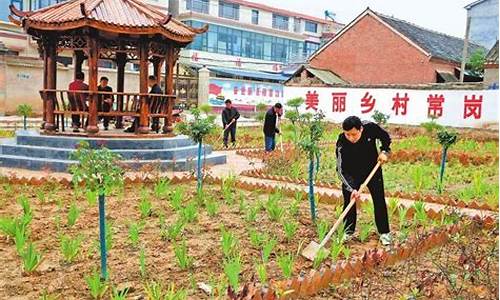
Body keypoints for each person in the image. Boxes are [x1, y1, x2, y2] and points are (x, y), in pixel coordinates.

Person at [335, 116, 392, 246]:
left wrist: (384, 151)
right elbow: (340, 169)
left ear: (361, 129)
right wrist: (352, 188)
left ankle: (385, 233)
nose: (351, 138)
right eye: (347, 134)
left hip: (372, 169)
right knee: (349, 200)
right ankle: (348, 232)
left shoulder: (370, 128)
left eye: (354, 134)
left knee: (379, 200)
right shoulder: (341, 142)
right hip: (352, 174)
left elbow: (385, 137)